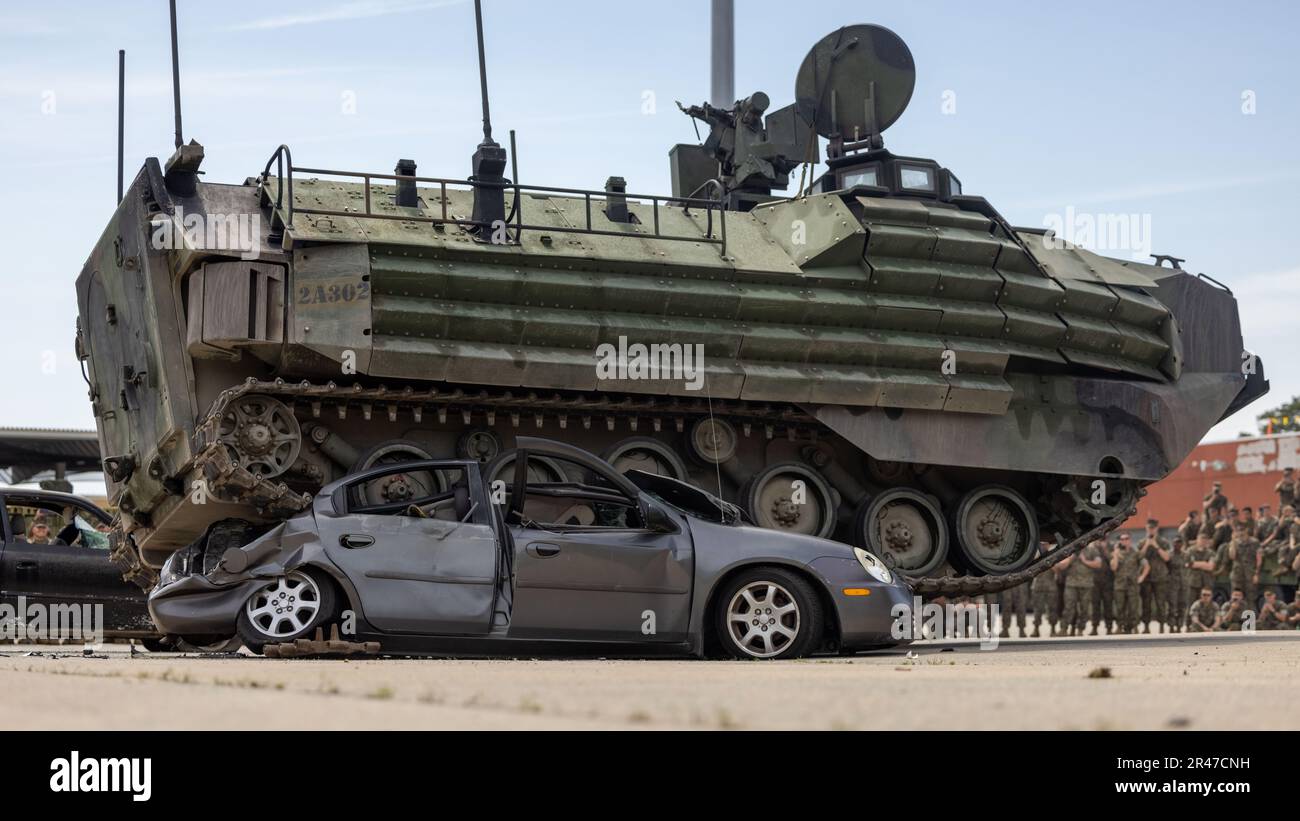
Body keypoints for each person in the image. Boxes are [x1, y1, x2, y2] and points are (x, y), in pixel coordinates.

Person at [1060, 540, 1102, 636]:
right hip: (1071, 584)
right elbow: (1061, 566)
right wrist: (1071, 558)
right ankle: (1064, 628)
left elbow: (1098, 564)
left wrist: (1085, 561)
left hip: (1086, 584)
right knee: (1069, 607)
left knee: (1084, 608)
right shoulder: (1070, 551)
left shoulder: (1092, 550)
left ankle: (1080, 629)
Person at [1138, 519, 1171, 633]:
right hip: (1146, 578)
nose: (1151, 530)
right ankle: (1146, 626)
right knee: (1146, 603)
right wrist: (1147, 545)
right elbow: (1138, 557)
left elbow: (1167, 558)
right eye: (1149, 528)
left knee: (1160, 602)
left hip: (1160, 577)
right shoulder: (1142, 542)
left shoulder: (1163, 542)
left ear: (1157, 528)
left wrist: (1156, 546)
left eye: (1153, 528)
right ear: (1146, 528)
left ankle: (1162, 625)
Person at [1111, 532, 1146, 634]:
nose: (1124, 541)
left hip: (1132, 585)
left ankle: (1134, 627)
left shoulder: (1136, 553)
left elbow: (1146, 565)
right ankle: (1119, 626)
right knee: (1119, 607)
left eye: (1126, 539)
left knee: (1133, 607)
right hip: (1120, 585)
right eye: (1122, 539)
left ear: (1129, 540)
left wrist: (1142, 577)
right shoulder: (1116, 553)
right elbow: (1114, 567)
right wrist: (1116, 554)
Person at [1226, 518, 1262, 610]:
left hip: (1250, 573)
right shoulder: (1235, 543)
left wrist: (1257, 574)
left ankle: (1250, 623)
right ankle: (1237, 619)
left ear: (1247, 530)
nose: (1240, 532)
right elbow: (1232, 556)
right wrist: (1233, 541)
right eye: (1238, 530)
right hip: (1237, 574)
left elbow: (1259, 559)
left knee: (1251, 598)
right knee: (1236, 598)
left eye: (1242, 530)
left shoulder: (1254, 542)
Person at [1184, 534, 1217, 631]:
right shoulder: (1190, 551)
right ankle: (1188, 626)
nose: (1203, 542)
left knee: (1207, 605)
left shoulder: (1211, 553)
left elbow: (1211, 567)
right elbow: (1188, 564)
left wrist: (1197, 564)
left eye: (1205, 540)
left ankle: (1206, 626)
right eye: (1201, 539)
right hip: (1193, 583)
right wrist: (1204, 563)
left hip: (1206, 583)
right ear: (1197, 540)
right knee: (1190, 605)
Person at [1030, 547, 1061, 637]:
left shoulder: (1054, 556)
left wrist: (1050, 563)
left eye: (1046, 544)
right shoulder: (1035, 557)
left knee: (1052, 609)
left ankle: (1053, 629)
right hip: (1038, 587)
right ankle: (1036, 629)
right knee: (1037, 609)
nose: (1044, 546)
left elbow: (1058, 570)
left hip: (1050, 587)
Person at [1091, 536, 1116, 634]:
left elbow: (1112, 561)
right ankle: (1094, 628)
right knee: (1095, 605)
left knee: (1108, 605)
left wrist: (1105, 549)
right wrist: (1096, 546)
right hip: (1095, 581)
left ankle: (1109, 627)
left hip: (1107, 581)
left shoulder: (1112, 546)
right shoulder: (1093, 547)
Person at [1167, 536, 1188, 633]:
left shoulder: (1186, 555)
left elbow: (1190, 564)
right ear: (1173, 544)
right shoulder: (1170, 555)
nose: (1177, 544)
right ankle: (1171, 626)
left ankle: (1179, 625)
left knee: (1182, 605)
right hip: (1173, 584)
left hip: (1183, 584)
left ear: (1182, 544)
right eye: (1175, 542)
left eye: (1179, 542)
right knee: (1172, 605)